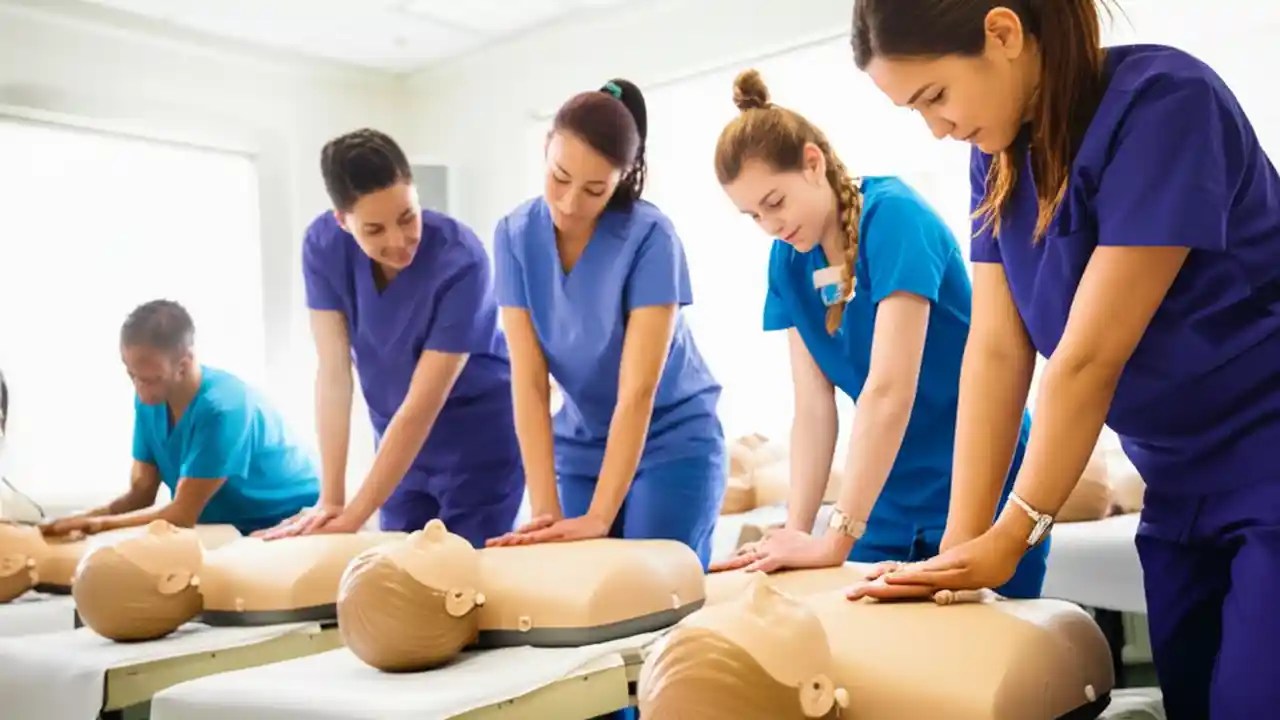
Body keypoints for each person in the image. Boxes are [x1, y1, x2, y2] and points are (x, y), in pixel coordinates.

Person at [849, 2, 1280, 717]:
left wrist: (1014, 536)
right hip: (1174, 481)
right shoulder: (995, 157)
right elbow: (994, 351)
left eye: (936, 96)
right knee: (1193, 696)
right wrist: (959, 552)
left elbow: (1085, 361)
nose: (938, 127)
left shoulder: (1168, 104)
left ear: (1004, 33)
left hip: (1268, 457)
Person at [707, 69, 1047, 599]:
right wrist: (799, 531)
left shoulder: (894, 218)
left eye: (775, 202)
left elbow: (890, 390)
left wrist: (835, 538)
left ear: (813, 163)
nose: (770, 225)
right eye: (753, 215)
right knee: (871, 653)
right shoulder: (787, 262)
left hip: (979, 476)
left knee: (984, 654)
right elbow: (814, 408)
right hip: (886, 494)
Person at [486, 79, 726, 569]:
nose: (571, 202)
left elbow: (637, 392)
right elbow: (529, 385)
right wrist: (544, 508)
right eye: (559, 177)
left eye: (595, 189)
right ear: (545, 149)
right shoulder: (514, 235)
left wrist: (600, 516)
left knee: (648, 587)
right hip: (579, 443)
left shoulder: (650, 237)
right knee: (570, 583)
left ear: (623, 178)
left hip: (670, 437)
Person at [255, 129, 524, 548]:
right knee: (394, 578)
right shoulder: (323, 247)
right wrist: (332, 499)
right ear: (342, 222)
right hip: (397, 446)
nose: (398, 242)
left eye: (407, 217)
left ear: (416, 193)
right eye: (374, 229)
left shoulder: (462, 258)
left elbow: (422, 404)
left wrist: (354, 518)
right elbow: (333, 374)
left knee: (461, 584)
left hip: (478, 443)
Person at [39, 300, 320, 537]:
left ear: (184, 365)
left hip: (293, 519)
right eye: (131, 375)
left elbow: (182, 514)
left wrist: (94, 525)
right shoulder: (150, 399)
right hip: (227, 528)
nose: (139, 387)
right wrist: (77, 519)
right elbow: (140, 494)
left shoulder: (224, 407)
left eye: (150, 379)